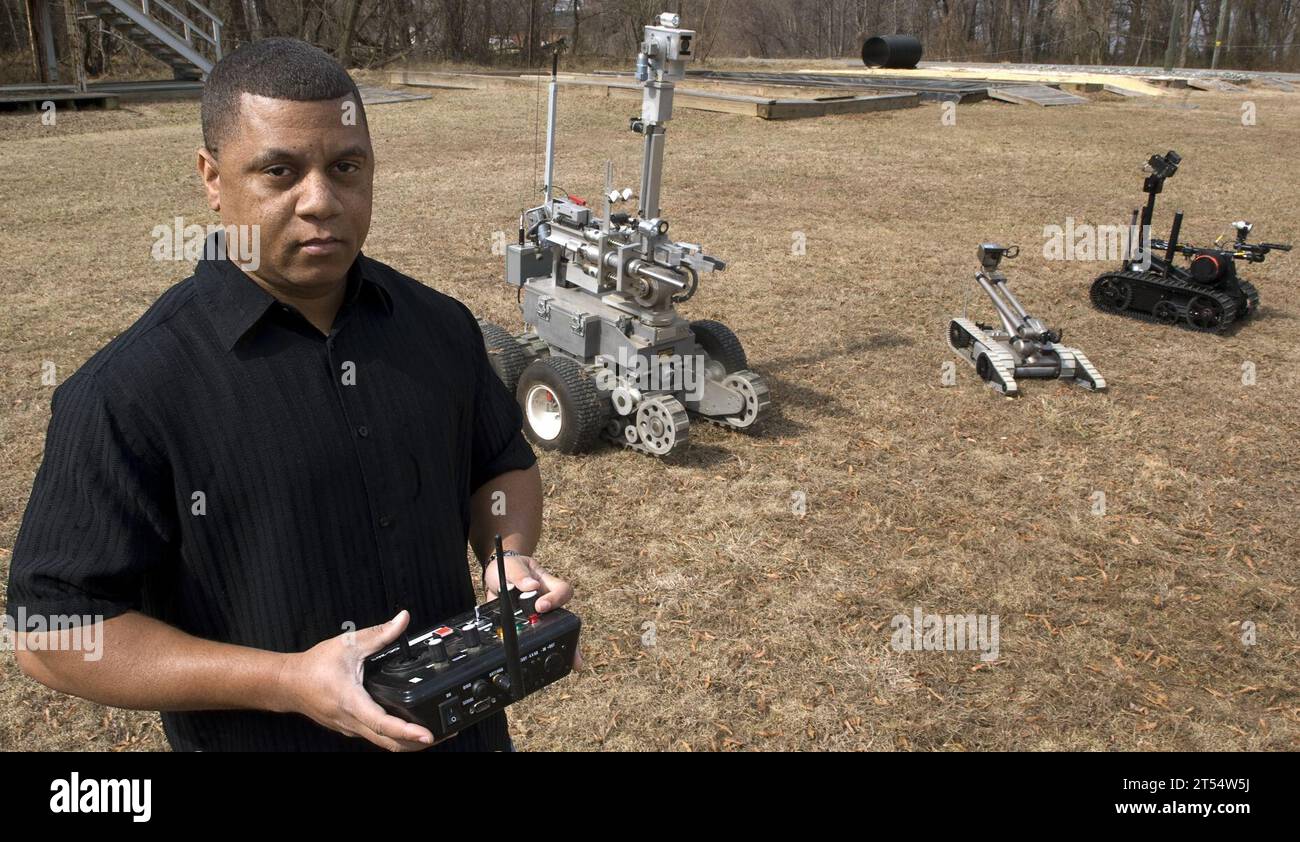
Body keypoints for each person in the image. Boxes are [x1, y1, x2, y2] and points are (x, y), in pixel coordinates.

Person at [6, 37, 574, 752]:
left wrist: (506, 560)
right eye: (280, 171)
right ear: (212, 178)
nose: (321, 201)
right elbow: (50, 633)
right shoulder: (128, 391)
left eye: (346, 167)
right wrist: (284, 681)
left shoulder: (440, 327)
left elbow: (501, 464)